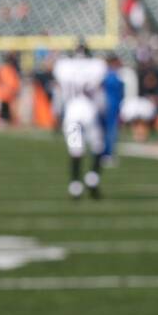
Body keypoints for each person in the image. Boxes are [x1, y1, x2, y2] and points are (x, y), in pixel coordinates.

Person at [51, 42, 107, 199]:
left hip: (72, 112)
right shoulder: (97, 65)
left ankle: (75, 187)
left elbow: (59, 92)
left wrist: (56, 113)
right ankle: (93, 178)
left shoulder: (63, 66)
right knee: (98, 146)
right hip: (89, 110)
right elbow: (100, 92)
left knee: (75, 150)